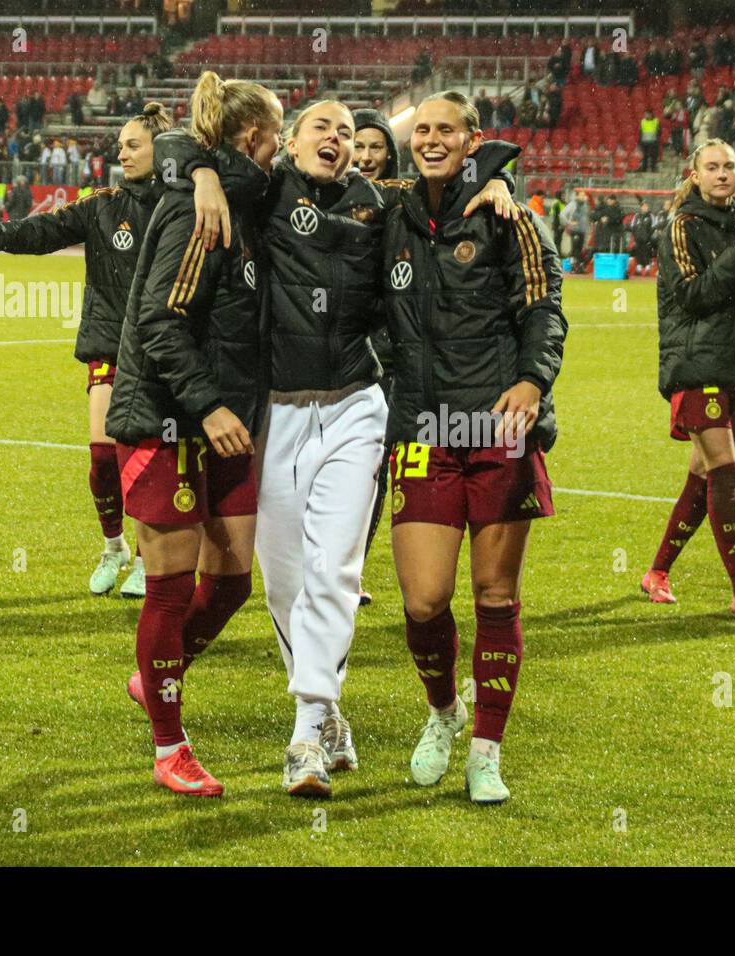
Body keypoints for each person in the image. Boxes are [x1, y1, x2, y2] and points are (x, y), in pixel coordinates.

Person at [156, 98, 518, 799]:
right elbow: (175, 146)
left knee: (335, 569)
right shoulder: (260, 192)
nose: (337, 139)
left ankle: (304, 734)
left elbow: (461, 177)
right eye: (322, 127)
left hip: (357, 406)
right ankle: (328, 718)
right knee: (288, 582)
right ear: (289, 141)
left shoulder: (378, 204)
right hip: (277, 412)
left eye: (348, 133)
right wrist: (201, 173)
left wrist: (499, 178)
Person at [382, 90, 566, 805]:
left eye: (446, 130)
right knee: (425, 601)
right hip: (426, 428)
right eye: (421, 128)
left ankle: (486, 747)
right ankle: (443, 713)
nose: (430, 139)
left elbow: (545, 305)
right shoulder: (390, 211)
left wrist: (530, 380)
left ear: (471, 139)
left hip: (496, 426)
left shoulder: (508, 214)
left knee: (495, 595)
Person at [106, 73, 281, 798]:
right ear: (253, 139)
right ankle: (169, 746)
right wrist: (208, 406)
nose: (284, 144)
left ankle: (157, 675)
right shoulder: (196, 212)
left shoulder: (241, 197)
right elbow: (158, 322)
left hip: (222, 426)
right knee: (171, 588)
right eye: (278, 131)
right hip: (167, 418)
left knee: (234, 576)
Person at [0, 104, 175, 598]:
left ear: (163, 150)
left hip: (163, 349)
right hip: (110, 344)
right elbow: (39, 232)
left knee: (148, 464)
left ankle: (147, 559)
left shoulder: (182, 206)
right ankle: (114, 549)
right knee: (103, 458)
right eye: (122, 145)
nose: (122, 152)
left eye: (134, 145)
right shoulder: (102, 205)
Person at [642, 139, 735, 618]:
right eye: (713, 167)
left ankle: (657, 572)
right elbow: (696, 296)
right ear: (695, 174)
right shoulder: (682, 228)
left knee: (704, 477)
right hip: (696, 363)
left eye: (730, 165)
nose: (723, 173)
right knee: (724, 471)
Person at [352, 108, 401, 606]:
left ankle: (352, 569)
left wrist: (494, 182)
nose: (367, 157)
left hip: (386, 356)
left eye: (375, 147)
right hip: (330, 350)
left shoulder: (402, 202)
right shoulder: (326, 197)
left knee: (374, 467)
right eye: (359, 146)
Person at [630, 200, 656, 274]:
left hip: (647, 239)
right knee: (638, 252)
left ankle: (647, 267)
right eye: (643, 206)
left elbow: (654, 227)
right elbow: (633, 226)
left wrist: (648, 236)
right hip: (638, 239)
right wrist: (635, 236)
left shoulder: (651, 216)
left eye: (646, 206)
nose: (645, 208)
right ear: (641, 207)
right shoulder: (637, 216)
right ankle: (639, 268)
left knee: (647, 252)